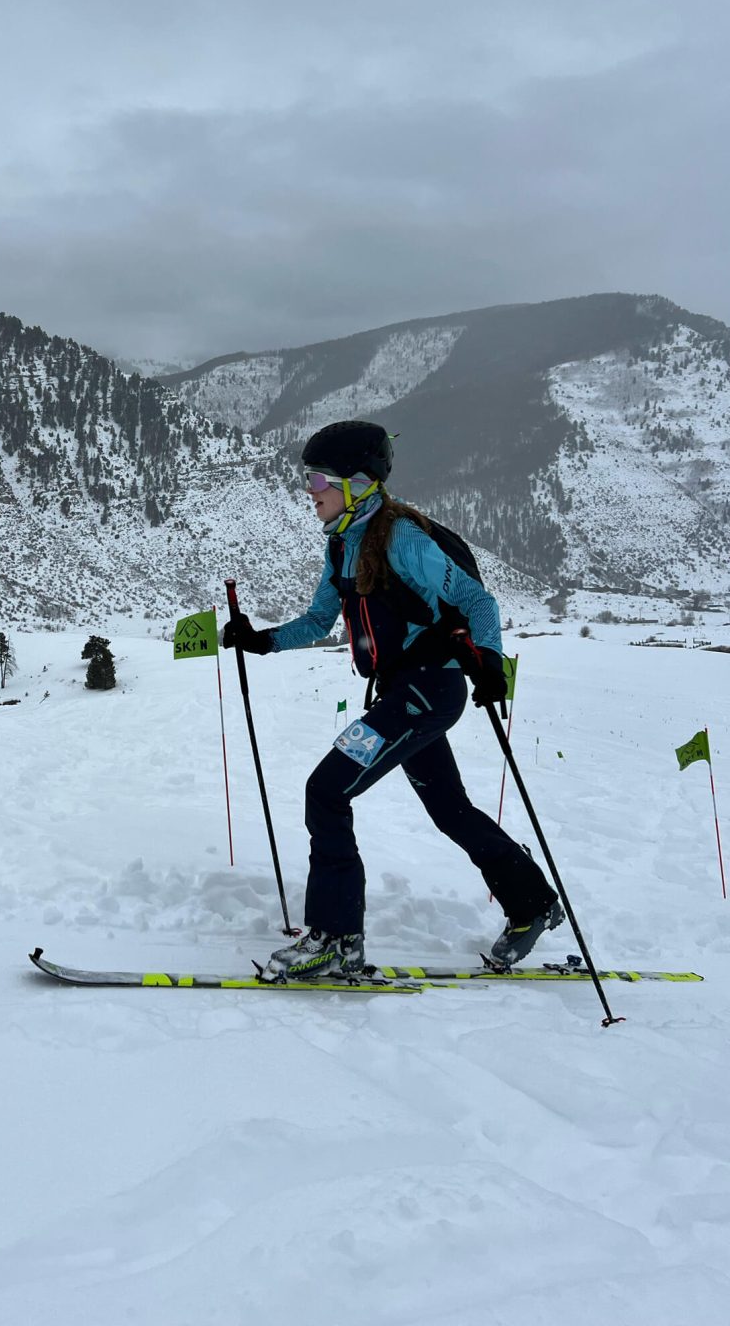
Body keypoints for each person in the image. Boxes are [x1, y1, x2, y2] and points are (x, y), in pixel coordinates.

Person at [223, 420, 563, 980]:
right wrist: (262, 640)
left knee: (326, 791)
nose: (310, 491)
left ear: (357, 483)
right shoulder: (343, 544)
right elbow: (318, 621)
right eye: (309, 480)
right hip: (405, 693)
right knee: (449, 810)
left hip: (428, 692)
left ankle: (336, 939)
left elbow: (479, 603)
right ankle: (533, 903)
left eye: (318, 480)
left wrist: (490, 665)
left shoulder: (402, 539)